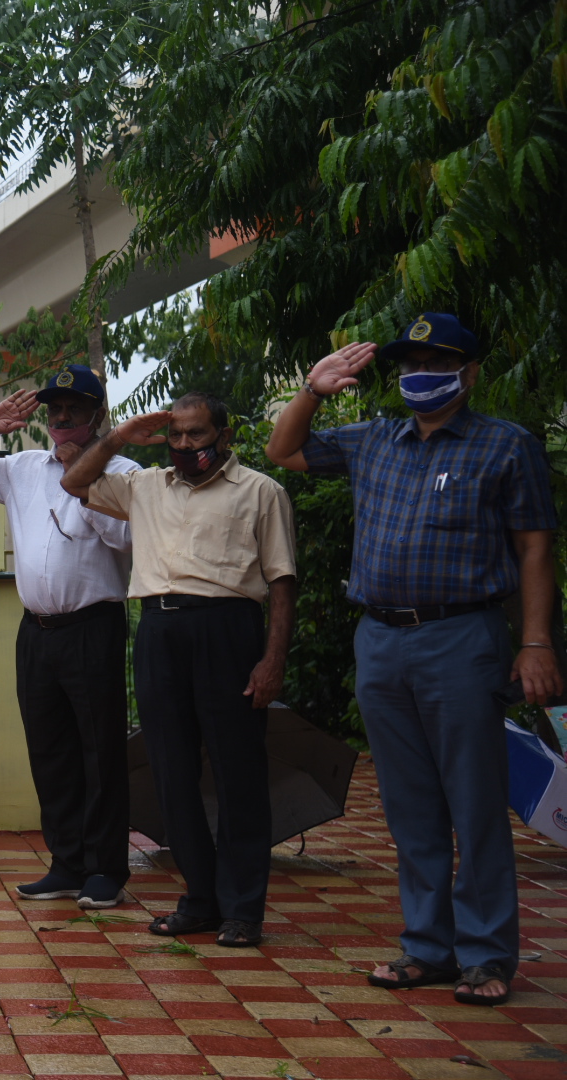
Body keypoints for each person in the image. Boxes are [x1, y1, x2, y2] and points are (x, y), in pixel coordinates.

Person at [265, 314, 561, 1005]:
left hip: (462, 638)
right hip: (381, 638)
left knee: (475, 798)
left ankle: (487, 954)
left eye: (439, 359)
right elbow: (285, 450)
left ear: (471, 371)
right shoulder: (374, 439)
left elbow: (535, 550)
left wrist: (538, 643)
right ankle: (427, 946)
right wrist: (312, 390)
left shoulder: (505, 446)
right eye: (410, 362)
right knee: (409, 804)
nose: (421, 372)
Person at [62, 391, 296, 947]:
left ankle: (243, 909)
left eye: (197, 434)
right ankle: (200, 898)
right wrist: (119, 437)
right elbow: (74, 481)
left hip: (229, 630)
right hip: (159, 631)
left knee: (238, 774)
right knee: (170, 771)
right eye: (177, 435)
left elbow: (282, 580)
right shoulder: (144, 486)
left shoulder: (262, 491)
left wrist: (272, 659)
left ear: (223, 434)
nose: (187, 445)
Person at [0, 366, 140, 908]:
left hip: (92, 627)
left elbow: (126, 536)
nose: (61, 419)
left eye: (74, 410)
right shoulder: (24, 467)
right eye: (55, 410)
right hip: (36, 631)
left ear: (96, 416)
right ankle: (67, 861)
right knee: (49, 749)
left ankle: (106, 869)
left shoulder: (122, 470)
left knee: (99, 750)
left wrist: (83, 479)